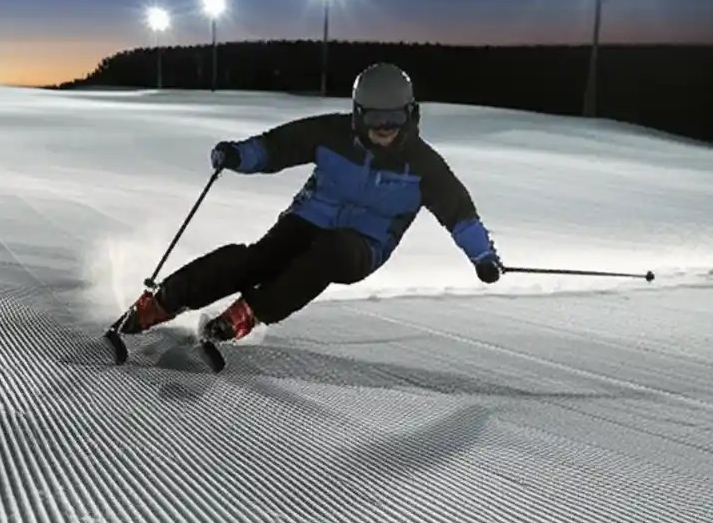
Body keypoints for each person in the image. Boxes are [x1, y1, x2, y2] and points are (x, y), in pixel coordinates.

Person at [118, 62, 504, 343]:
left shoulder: (425, 166)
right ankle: (162, 302)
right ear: (358, 115)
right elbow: (277, 147)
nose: (385, 128)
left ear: (410, 115)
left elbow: (459, 214)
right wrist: (238, 155)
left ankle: (249, 312)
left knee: (327, 255)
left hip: (363, 245)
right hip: (307, 219)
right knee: (257, 259)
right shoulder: (331, 133)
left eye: (395, 118)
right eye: (375, 117)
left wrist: (482, 257)